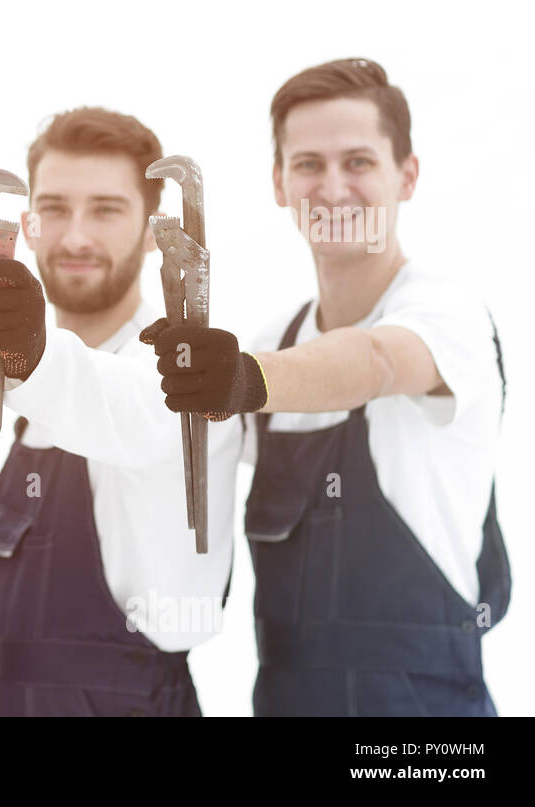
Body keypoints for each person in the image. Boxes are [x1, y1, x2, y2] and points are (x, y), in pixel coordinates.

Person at [143, 58, 511, 716]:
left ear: (408, 175)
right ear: (280, 183)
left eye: (359, 162)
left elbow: (374, 359)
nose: (333, 188)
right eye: (308, 164)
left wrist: (245, 380)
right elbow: (162, 447)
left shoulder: (444, 313)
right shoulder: (273, 338)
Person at [0, 107, 240, 716]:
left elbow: (137, 413)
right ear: (28, 225)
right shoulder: (42, 397)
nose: (77, 236)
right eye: (55, 208)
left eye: (107, 209)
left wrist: (31, 357)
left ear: (149, 227)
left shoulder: (188, 384)